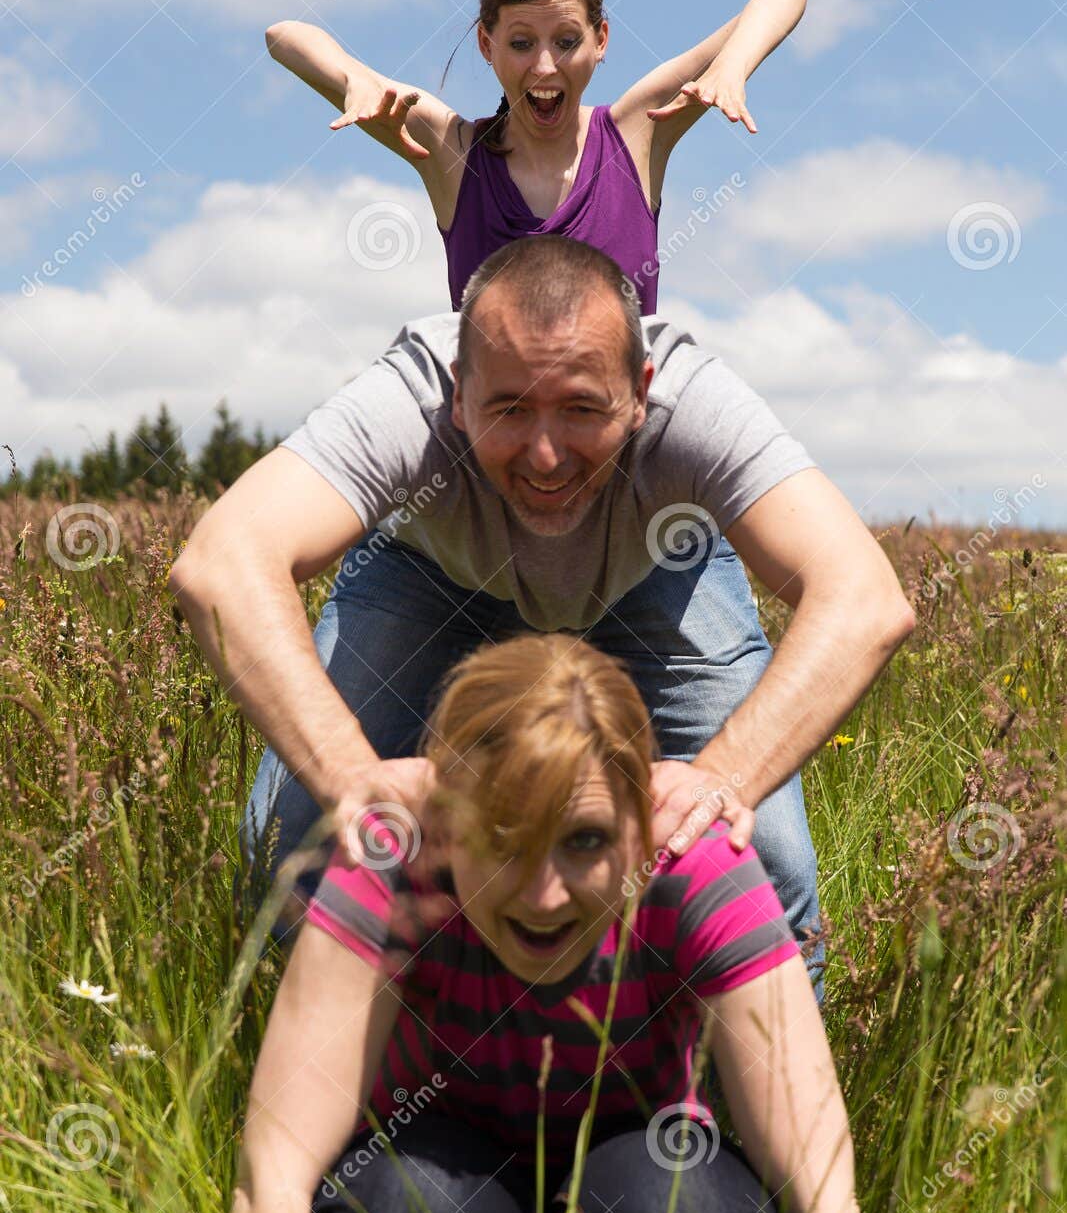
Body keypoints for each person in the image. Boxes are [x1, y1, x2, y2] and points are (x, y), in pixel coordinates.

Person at [188, 633, 910, 1213]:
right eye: (504, 842)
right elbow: (270, 1183)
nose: (543, 897)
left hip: (639, 1186)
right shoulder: (392, 862)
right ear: (448, 823)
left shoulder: (698, 864)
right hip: (448, 1192)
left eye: (585, 842)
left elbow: (823, 1200)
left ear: (641, 822)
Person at [169, 237, 916, 993]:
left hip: (655, 575)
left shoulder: (699, 404)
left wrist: (723, 777)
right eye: (509, 410)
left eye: (582, 410)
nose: (546, 455)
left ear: (641, 392)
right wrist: (348, 774)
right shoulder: (407, 396)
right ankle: (326, 1088)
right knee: (294, 842)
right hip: (430, 577)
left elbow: (863, 597)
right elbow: (222, 562)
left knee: (761, 856)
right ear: (457, 393)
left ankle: (749, 1102)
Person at [265, 0, 808, 311]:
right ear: (487, 44)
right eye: (522, 43)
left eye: (567, 41)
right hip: (489, 466)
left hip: (621, 468)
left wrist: (733, 67)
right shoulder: (455, 155)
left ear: (601, 41)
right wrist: (353, 76)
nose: (545, 66)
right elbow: (284, 35)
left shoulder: (638, 131)